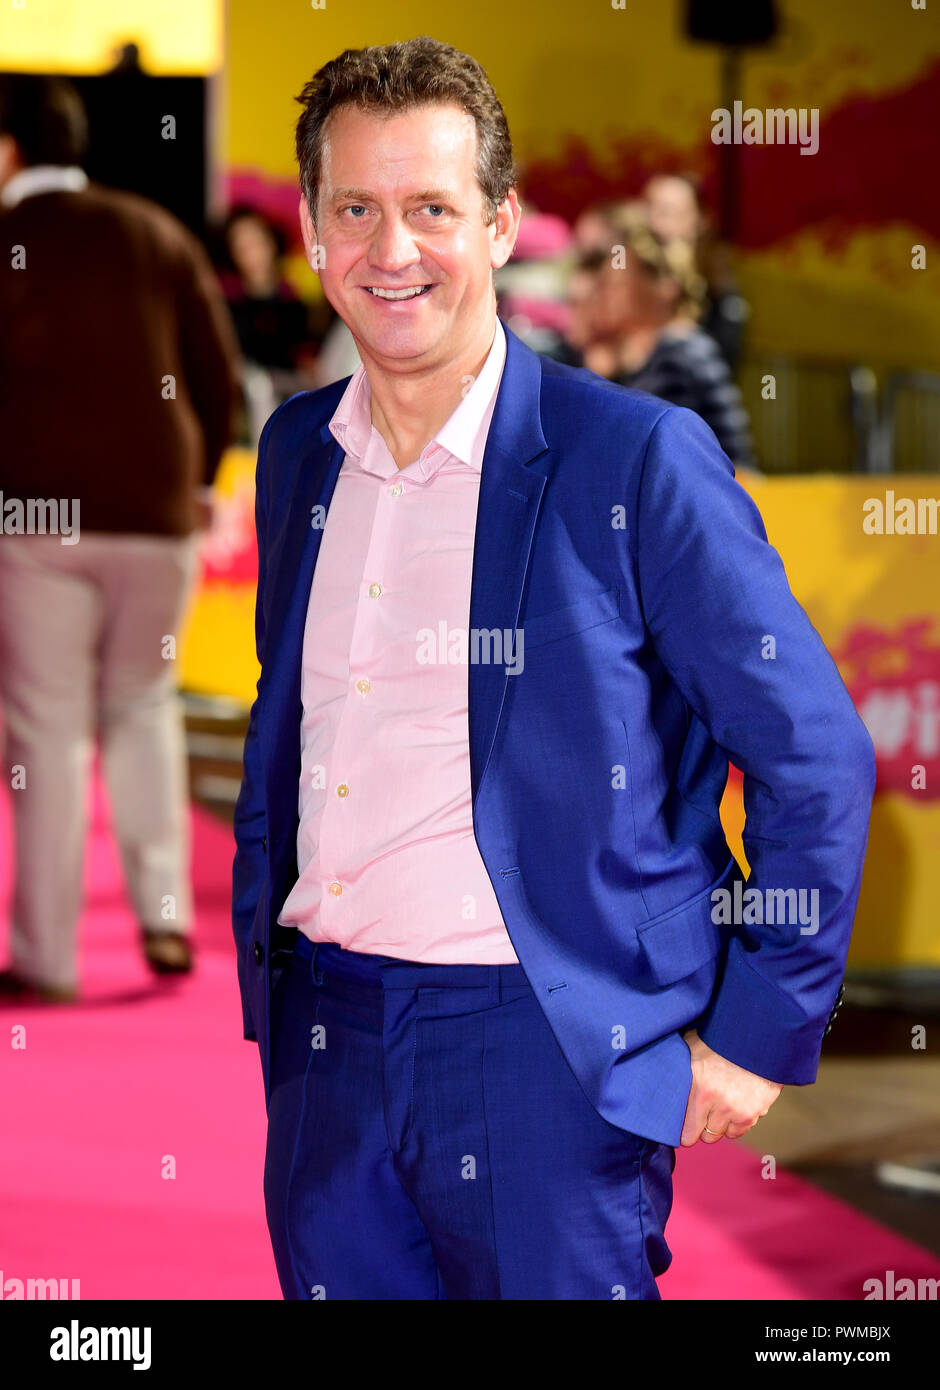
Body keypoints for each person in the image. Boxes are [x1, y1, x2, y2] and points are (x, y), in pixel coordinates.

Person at [232, 36, 875, 1301]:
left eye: (431, 208)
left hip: (548, 1048)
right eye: (354, 208)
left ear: (504, 224)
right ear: (310, 230)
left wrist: (757, 1037)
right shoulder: (297, 450)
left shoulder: (633, 457)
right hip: (327, 1042)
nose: (391, 248)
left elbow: (814, 754)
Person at [0, 75, 241, 999]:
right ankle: (165, 917)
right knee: (144, 706)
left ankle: (47, 956)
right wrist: (195, 479)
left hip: (36, 523)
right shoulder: (153, 230)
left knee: (49, 732)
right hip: (156, 518)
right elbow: (214, 372)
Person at [571, 201, 754, 466]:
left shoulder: (685, 348)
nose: (609, 294)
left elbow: (731, 451)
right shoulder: (632, 356)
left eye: (619, 284)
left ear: (662, 287)